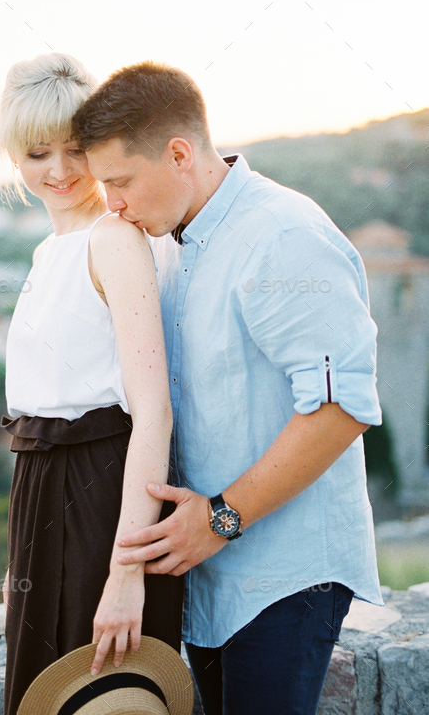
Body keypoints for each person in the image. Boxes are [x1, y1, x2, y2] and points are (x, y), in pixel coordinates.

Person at [72, 61, 384, 715]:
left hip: (285, 576)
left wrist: (221, 517)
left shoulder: (282, 235)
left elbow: (342, 407)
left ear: (178, 154)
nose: (113, 203)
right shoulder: (168, 243)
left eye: (121, 181)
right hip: (212, 573)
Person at [0, 54, 182, 715]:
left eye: (75, 149)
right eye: (37, 153)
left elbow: (153, 413)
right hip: (40, 495)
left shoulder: (114, 240)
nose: (60, 170)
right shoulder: (50, 251)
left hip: (101, 498)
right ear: (14, 156)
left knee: (102, 695)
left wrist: (126, 572)